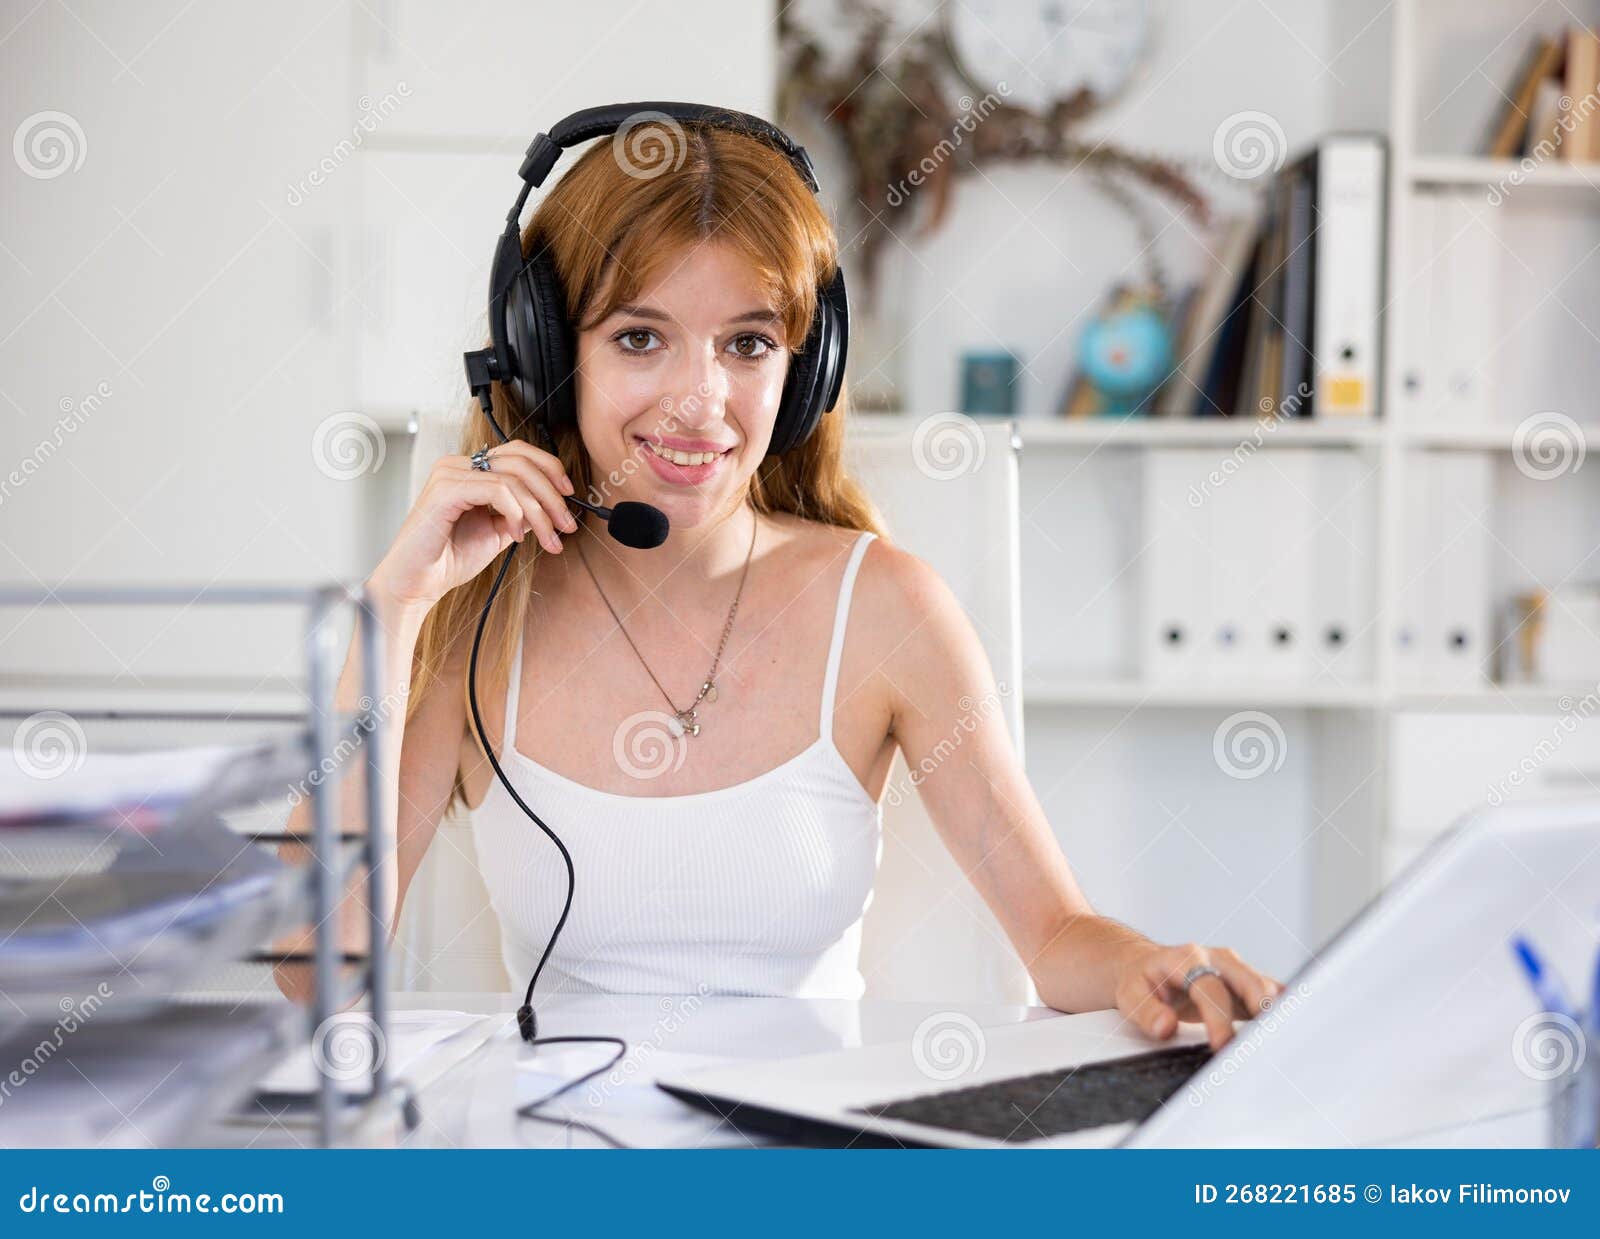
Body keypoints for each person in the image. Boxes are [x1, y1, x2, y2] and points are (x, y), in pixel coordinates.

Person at [273, 117, 1282, 1052]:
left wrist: (1152, 962)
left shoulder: (887, 606)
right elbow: (315, 975)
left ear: (803, 368)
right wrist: (392, 612)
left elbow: (1056, 935)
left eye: (748, 344)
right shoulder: (476, 615)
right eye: (637, 337)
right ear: (546, 356)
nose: (699, 399)